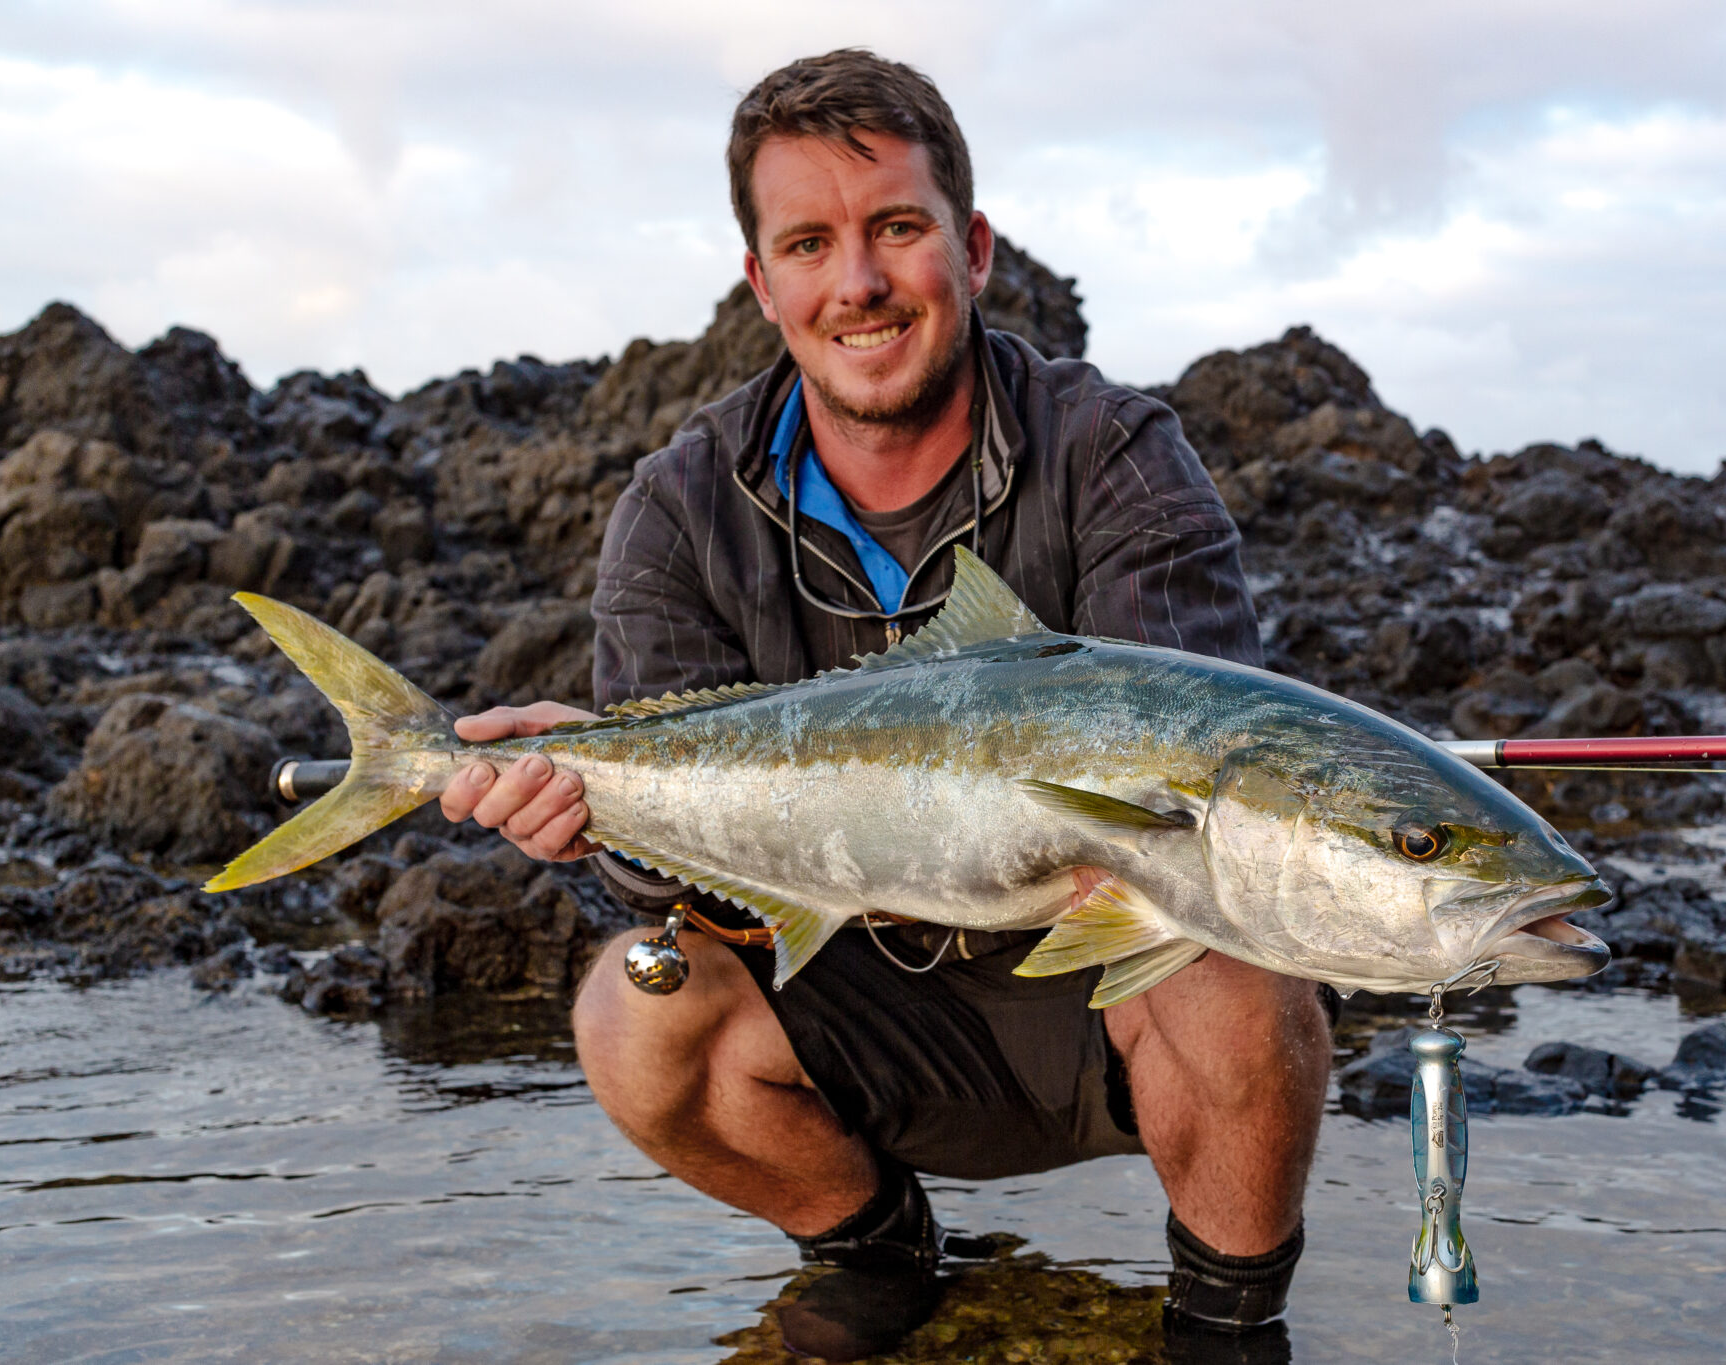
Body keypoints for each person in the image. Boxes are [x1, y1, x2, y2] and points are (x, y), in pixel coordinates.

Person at [438, 49, 1332, 1361]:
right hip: (859, 1002)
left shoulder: (1114, 454)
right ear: (762, 281)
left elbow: (1187, 787)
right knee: (635, 1011)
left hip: (1095, 991)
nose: (855, 283)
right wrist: (597, 816)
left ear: (970, 247)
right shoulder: (680, 511)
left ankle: (1224, 1324)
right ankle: (874, 1251)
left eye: (896, 229)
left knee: (1237, 951)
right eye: (808, 242)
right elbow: (684, 894)